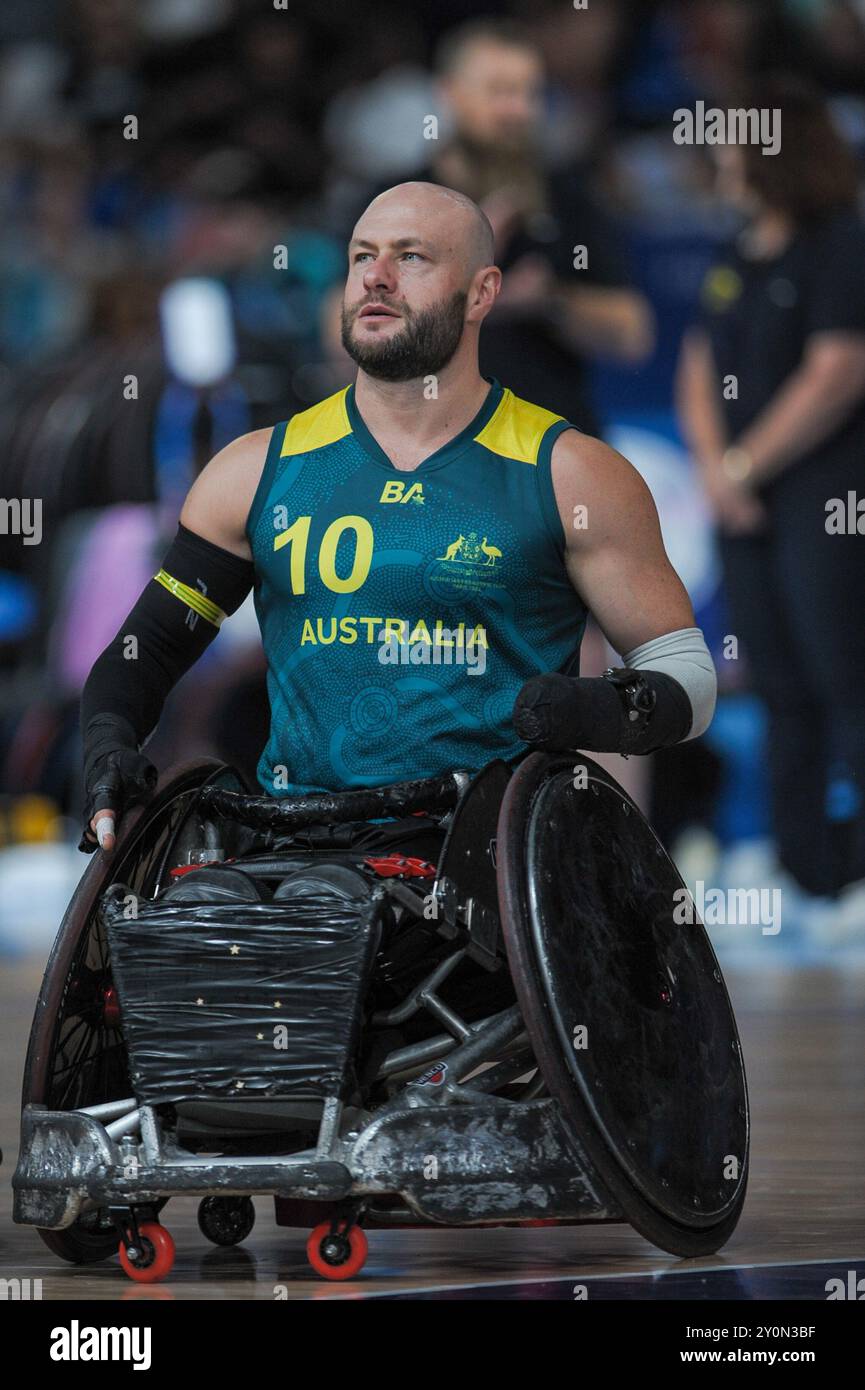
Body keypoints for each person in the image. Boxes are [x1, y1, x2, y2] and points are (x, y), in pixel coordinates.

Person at [79, 181, 714, 854]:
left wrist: (590, 711)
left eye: (410, 257)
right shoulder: (254, 469)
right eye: (361, 257)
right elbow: (142, 652)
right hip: (304, 859)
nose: (375, 278)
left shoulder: (571, 473)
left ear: (481, 293)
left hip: (491, 861)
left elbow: (690, 682)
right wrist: (108, 743)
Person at [676, 78, 865, 925]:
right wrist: (718, 471)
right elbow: (693, 367)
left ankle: (858, 871)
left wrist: (745, 466)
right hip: (742, 503)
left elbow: (837, 372)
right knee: (776, 684)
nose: (718, 158)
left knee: (844, 678)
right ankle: (804, 875)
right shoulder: (734, 256)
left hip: (823, 496)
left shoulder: (839, 245)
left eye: (731, 141)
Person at [329, 18, 654, 437]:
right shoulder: (394, 199)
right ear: (449, 92)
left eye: (530, 92)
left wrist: (549, 300)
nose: (517, 110)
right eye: (500, 91)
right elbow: (340, 343)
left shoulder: (569, 196)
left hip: (549, 448)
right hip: (421, 450)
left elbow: (633, 336)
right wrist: (464, 269)